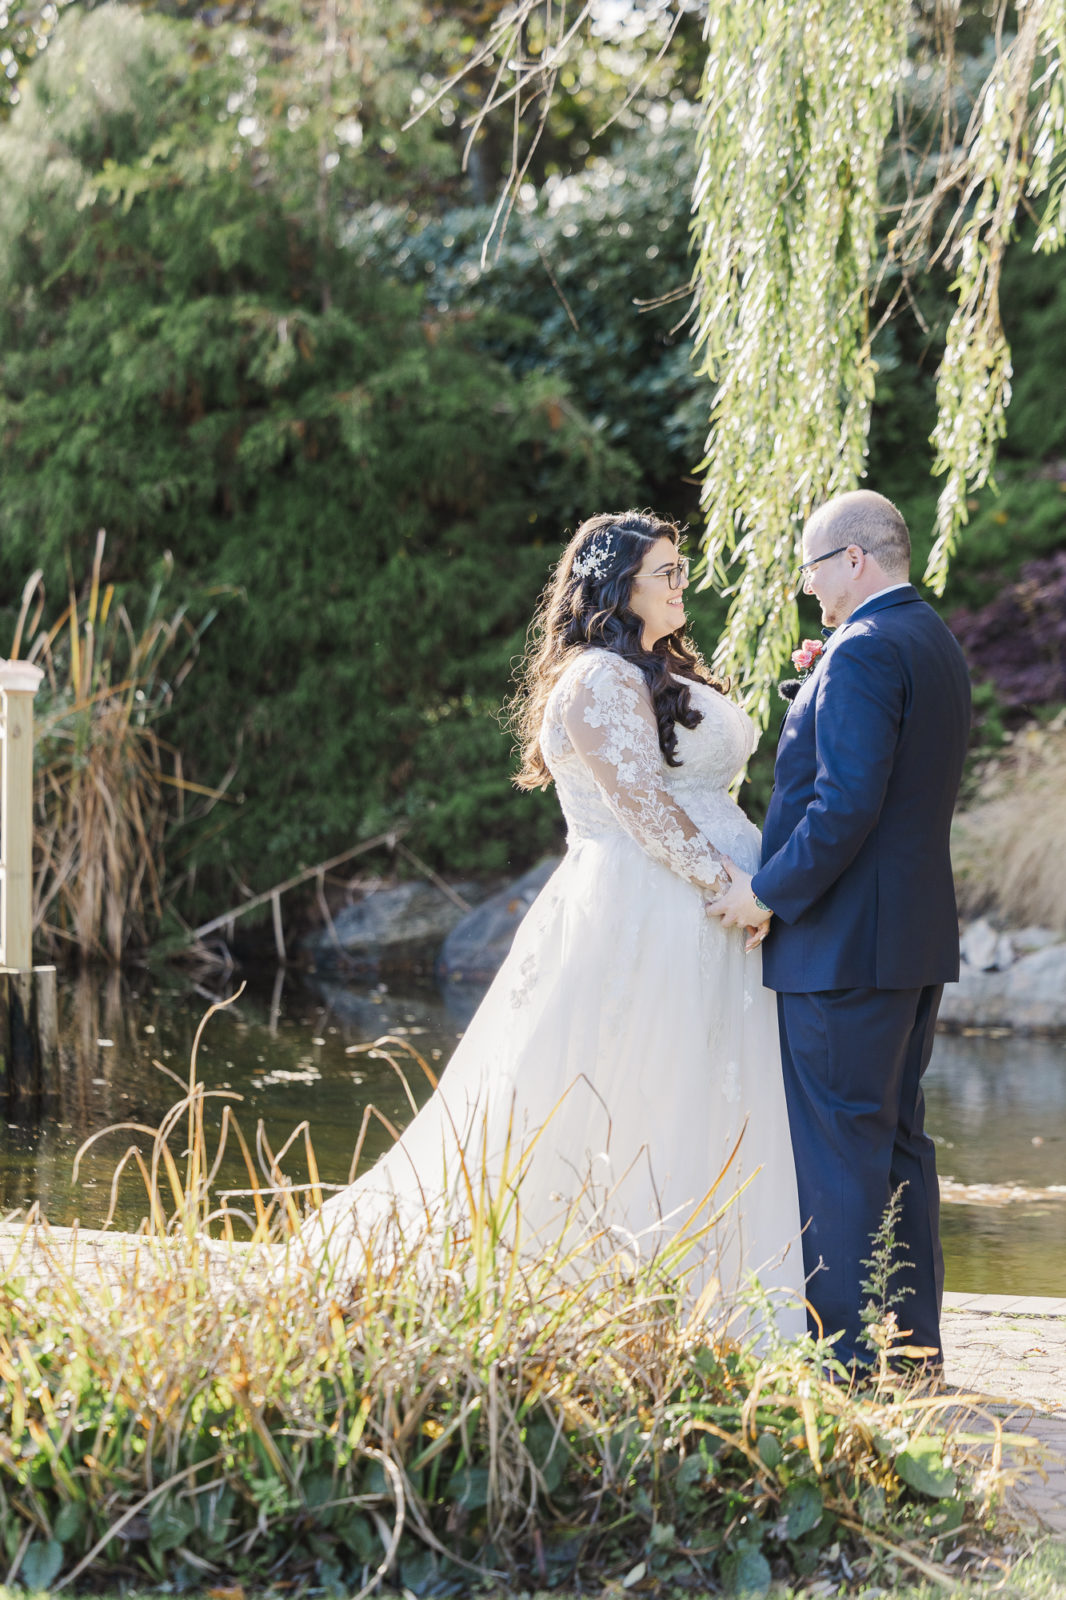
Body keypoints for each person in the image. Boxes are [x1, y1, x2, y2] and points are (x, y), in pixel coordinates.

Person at [307, 510, 804, 1331]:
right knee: (629, 1085)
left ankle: (712, 1289)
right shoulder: (596, 679)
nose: (683, 585)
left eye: (681, 571)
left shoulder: (659, 668)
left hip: (709, 909)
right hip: (653, 907)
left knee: (705, 1085)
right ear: (618, 586)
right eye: (667, 573)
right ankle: (615, 1292)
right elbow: (641, 806)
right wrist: (729, 887)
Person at [708, 490, 971, 1371]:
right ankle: (911, 1349)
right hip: (909, 940)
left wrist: (768, 894)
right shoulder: (931, 639)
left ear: (855, 559)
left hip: (844, 947)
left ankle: (850, 1363)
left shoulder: (862, 650)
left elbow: (843, 805)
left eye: (814, 569)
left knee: (841, 1152)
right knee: (897, 1141)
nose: (809, 589)